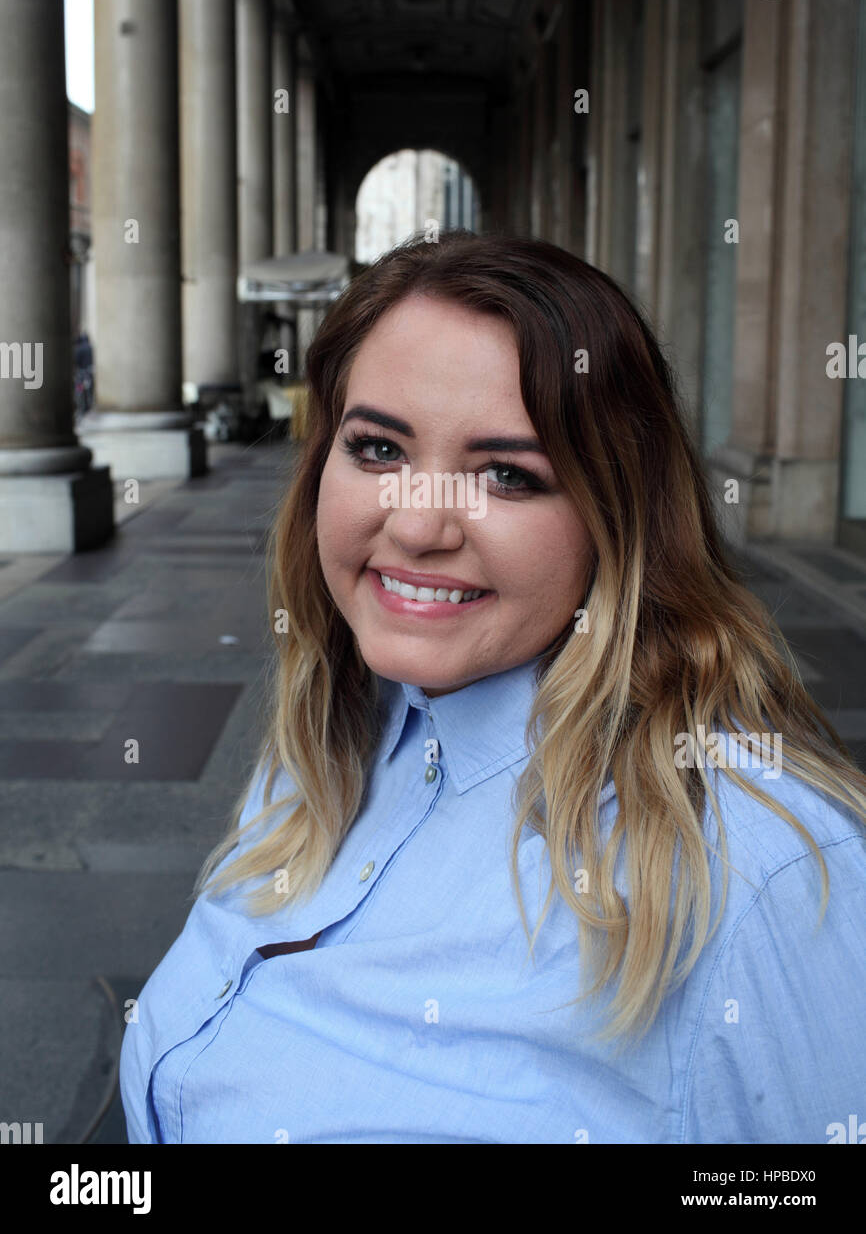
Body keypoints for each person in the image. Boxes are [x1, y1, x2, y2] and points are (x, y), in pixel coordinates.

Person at [119, 231, 866, 1144]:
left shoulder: (760, 877)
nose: (422, 525)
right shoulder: (330, 735)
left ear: (618, 515)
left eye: (506, 474)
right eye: (380, 449)